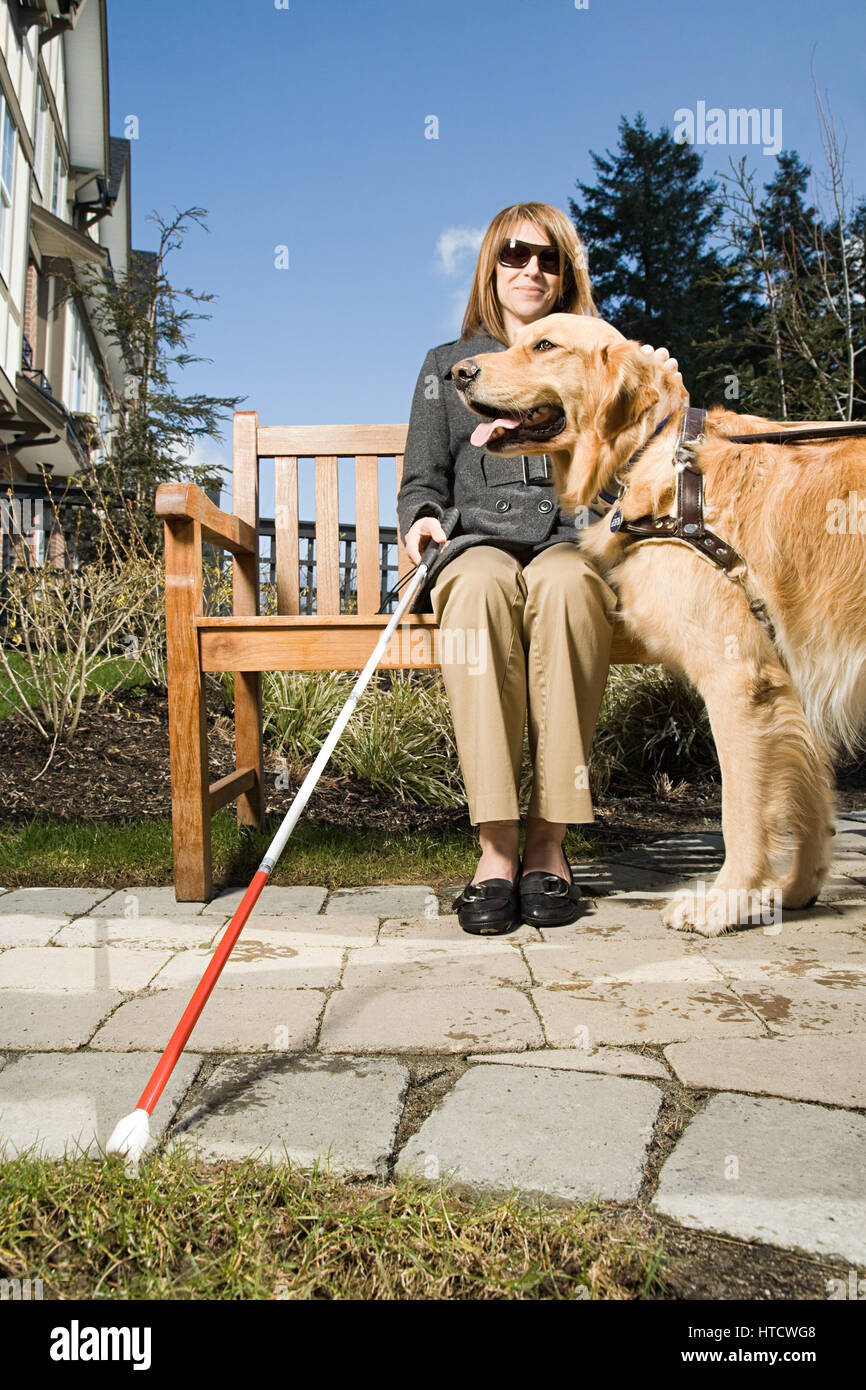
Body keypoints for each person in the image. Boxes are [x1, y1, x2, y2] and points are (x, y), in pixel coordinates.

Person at [397, 202, 680, 933]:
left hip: (571, 537)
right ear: (491, 264)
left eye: (550, 257)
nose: (533, 269)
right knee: (482, 587)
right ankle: (495, 848)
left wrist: (660, 392)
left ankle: (549, 846)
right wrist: (422, 520)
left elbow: (637, 465)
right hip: (476, 543)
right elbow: (423, 481)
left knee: (565, 585)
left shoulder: (599, 354)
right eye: (515, 255)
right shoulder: (445, 365)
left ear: (566, 272)